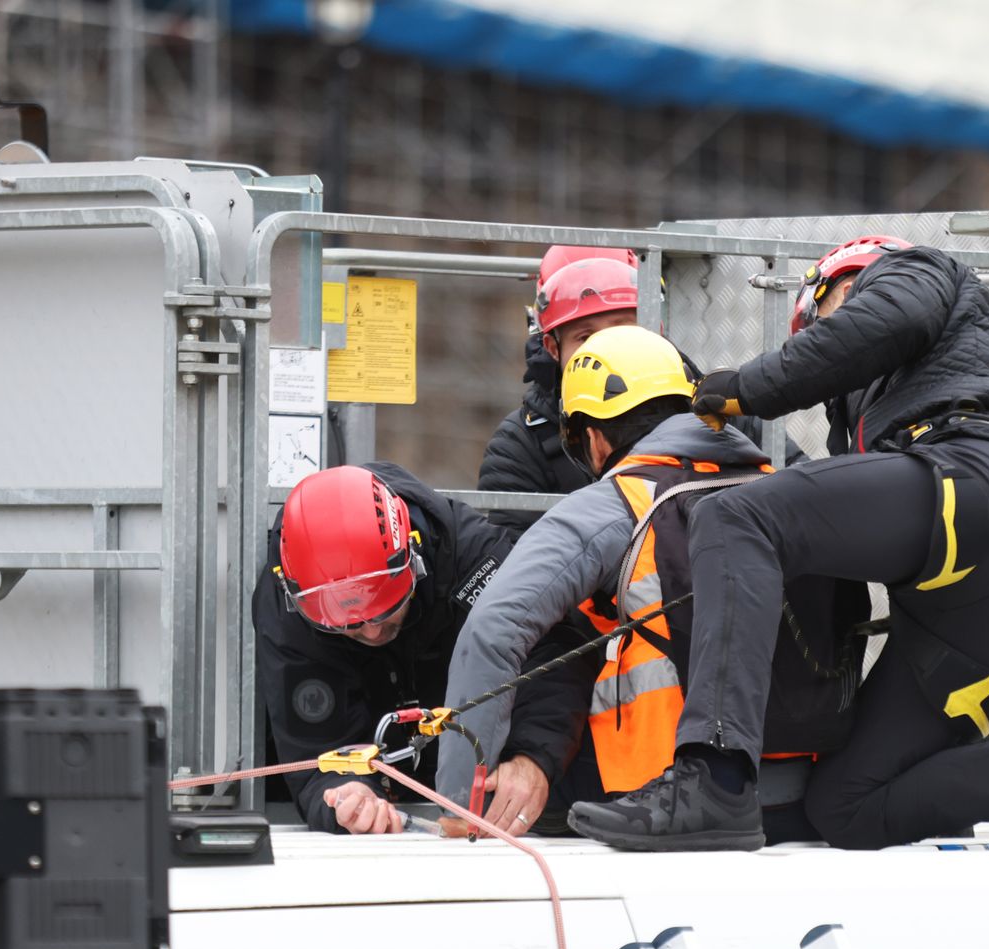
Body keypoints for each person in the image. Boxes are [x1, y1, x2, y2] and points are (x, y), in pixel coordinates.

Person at [563, 236, 989, 854]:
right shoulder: (872, 419)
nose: (817, 344)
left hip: (979, 486)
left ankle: (714, 775)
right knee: (848, 805)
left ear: (845, 278)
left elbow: (870, 330)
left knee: (735, 519)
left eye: (815, 321)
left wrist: (745, 388)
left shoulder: (922, 271)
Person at [436, 327, 858, 842]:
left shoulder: (616, 504)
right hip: (805, 789)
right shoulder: (779, 488)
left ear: (592, 437)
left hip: (661, 793)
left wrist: (461, 799)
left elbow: (494, 628)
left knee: (531, 773)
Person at [252, 464, 587, 834]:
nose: (373, 629)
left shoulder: (471, 553)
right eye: (349, 623)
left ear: (413, 556)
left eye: (389, 605)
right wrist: (346, 796)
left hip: (495, 787)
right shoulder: (286, 612)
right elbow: (311, 745)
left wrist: (533, 757)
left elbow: (552, 653)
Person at [478, 246, 793, 531]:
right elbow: (512, 560)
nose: (606, 348)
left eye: (623, 328)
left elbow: (797, 505)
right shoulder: (521, 443)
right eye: (584, 337)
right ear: (552, 347)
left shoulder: (717, 407)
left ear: (654, 328)